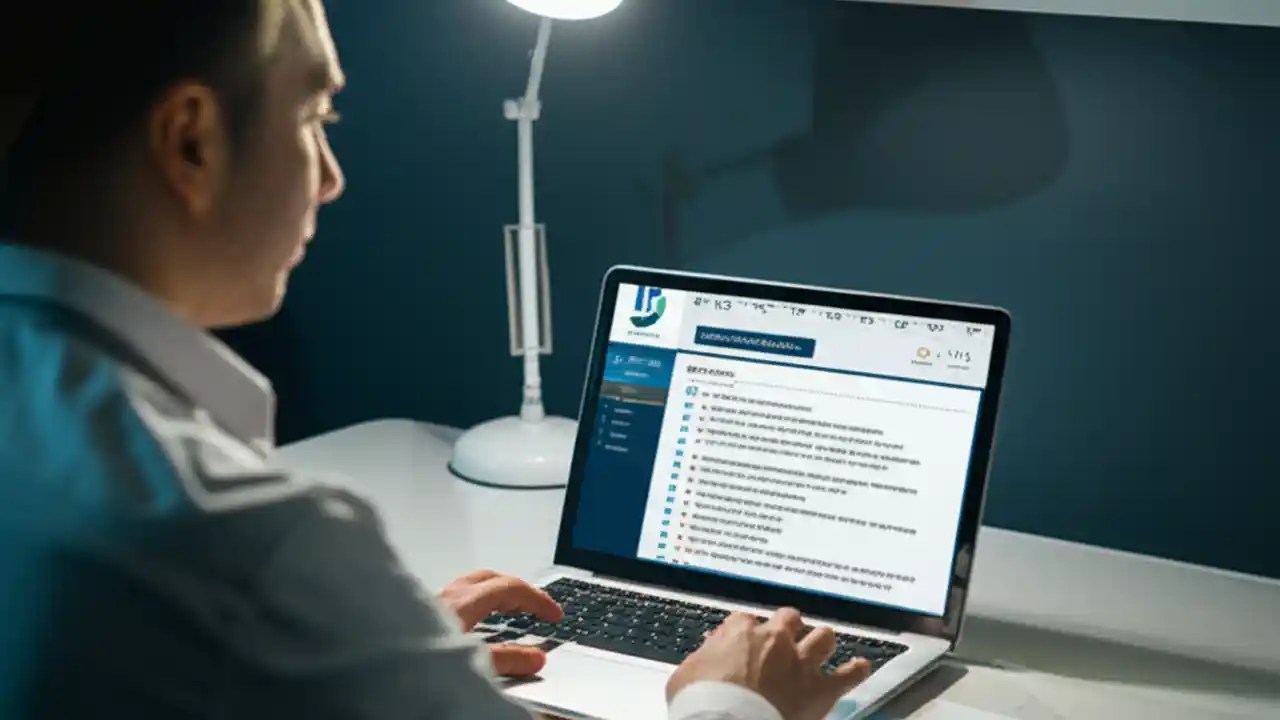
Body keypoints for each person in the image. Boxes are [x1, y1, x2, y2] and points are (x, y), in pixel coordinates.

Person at [0, 2, 871, 718]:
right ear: (192, 141)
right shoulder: (250, 547)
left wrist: (369, 652)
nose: (333, 176)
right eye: (315, 116)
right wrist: (733, 702)